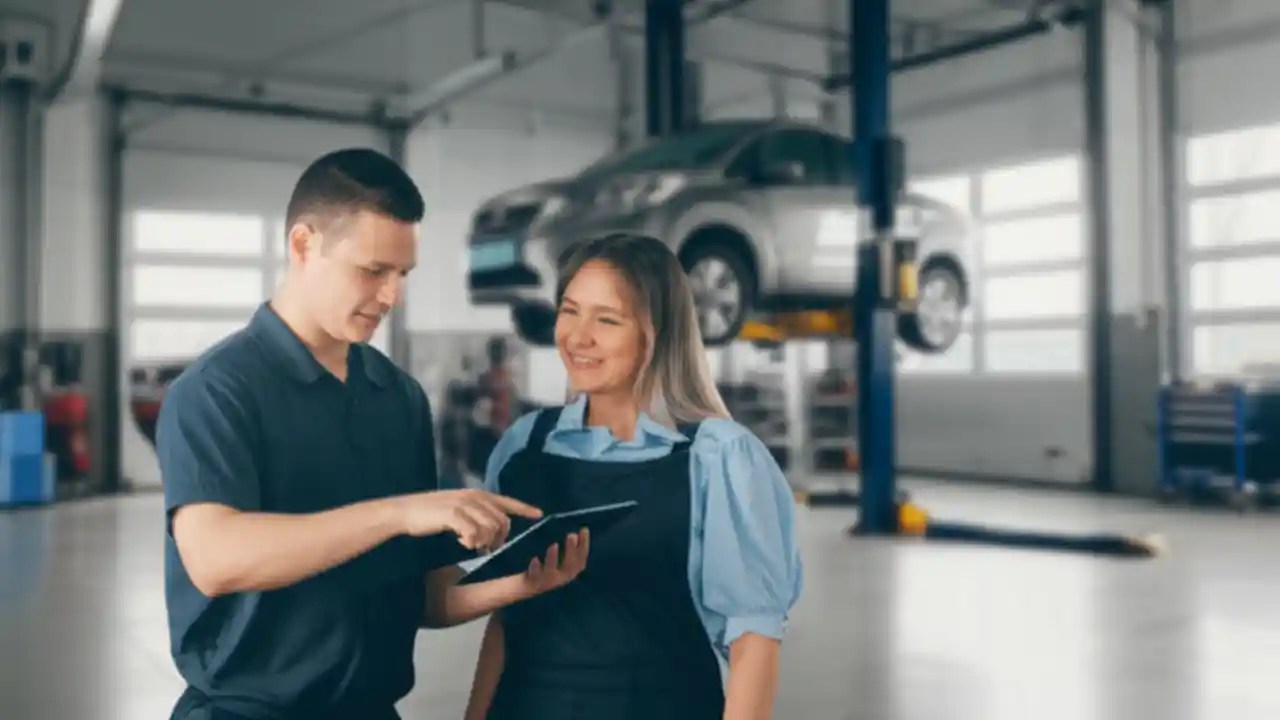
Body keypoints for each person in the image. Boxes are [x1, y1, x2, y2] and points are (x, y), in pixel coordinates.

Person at [157, 148, 589, 720]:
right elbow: (217, 558)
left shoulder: (399, 398)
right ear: (304, 245)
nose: (392, 297)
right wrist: (399, 513)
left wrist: (520, 584)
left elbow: (425, 597)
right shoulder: (216, 391)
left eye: (403, 274)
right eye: (373, 271)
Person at [464, 233, 804, 720]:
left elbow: (753, 644)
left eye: (607, 319)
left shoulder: (718, 458)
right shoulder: (523, 445)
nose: (579, 336)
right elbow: (507, 618)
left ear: (656, 333)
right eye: (569, 310)